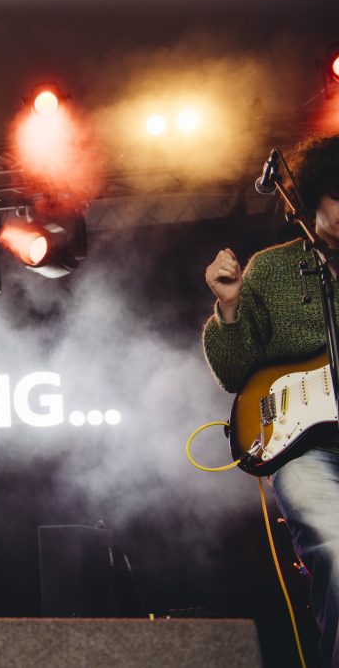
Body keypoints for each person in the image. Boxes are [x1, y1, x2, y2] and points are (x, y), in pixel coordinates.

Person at [203, 134, 339, 666]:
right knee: (334, 546)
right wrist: (230, 308)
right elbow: (237, 372)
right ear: (311, 200)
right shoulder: (274, 268)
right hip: (303, 448)